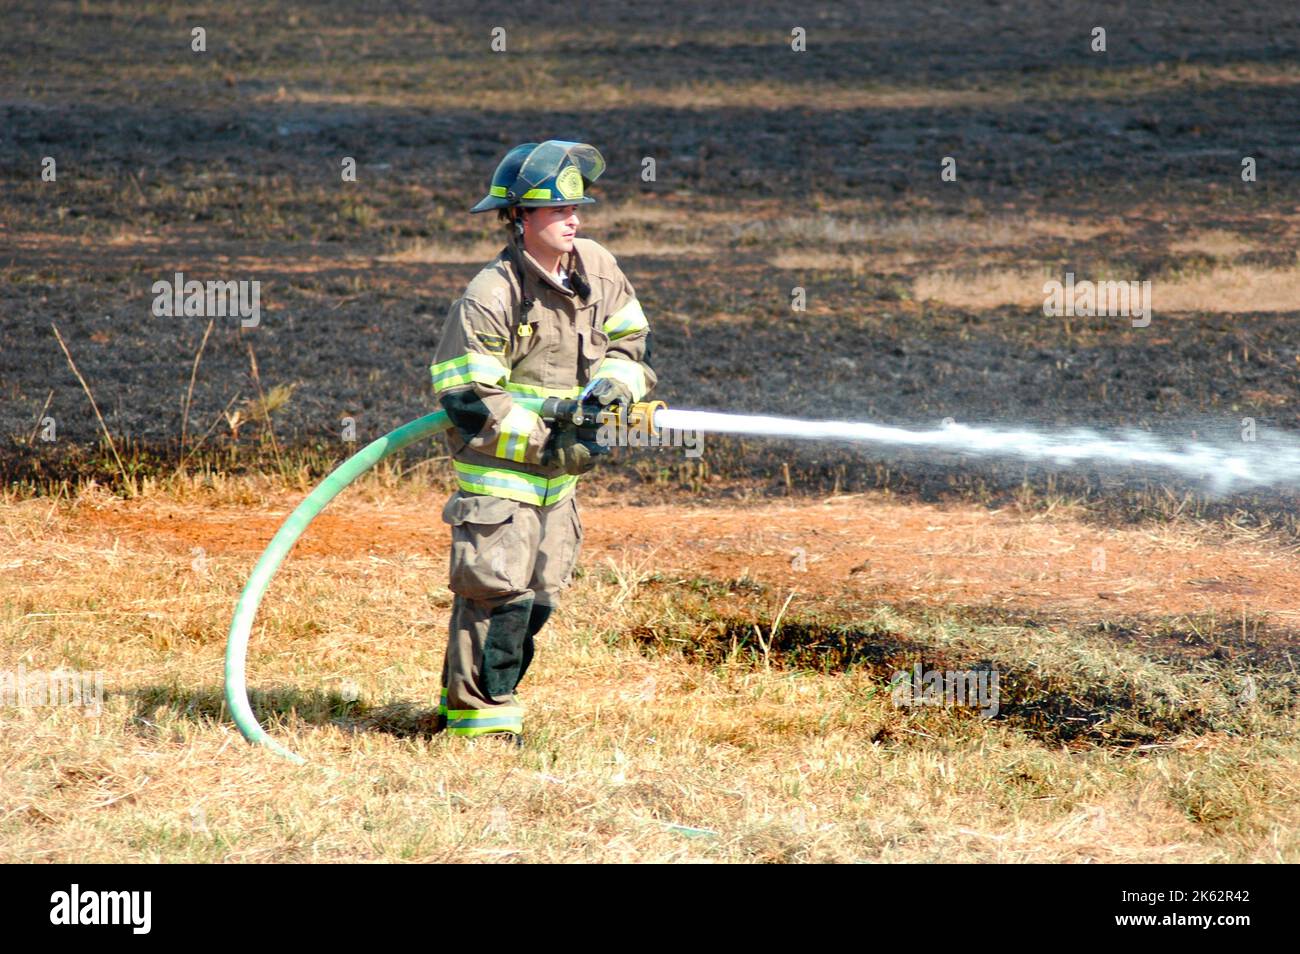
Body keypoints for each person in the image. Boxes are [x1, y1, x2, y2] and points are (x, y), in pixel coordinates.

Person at [429, 141, 656, 743]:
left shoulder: (598, 269)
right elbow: (468, 395)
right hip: (501, 480)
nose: (573, 220)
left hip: (561, 485)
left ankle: (493, 700)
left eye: (576, 210)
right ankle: (478, 723)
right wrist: (547, 439)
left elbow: (632, 343)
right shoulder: (491, 293)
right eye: (557, 211)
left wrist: (612, 389)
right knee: (496, 595)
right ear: (519, 218)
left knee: (540, 599)